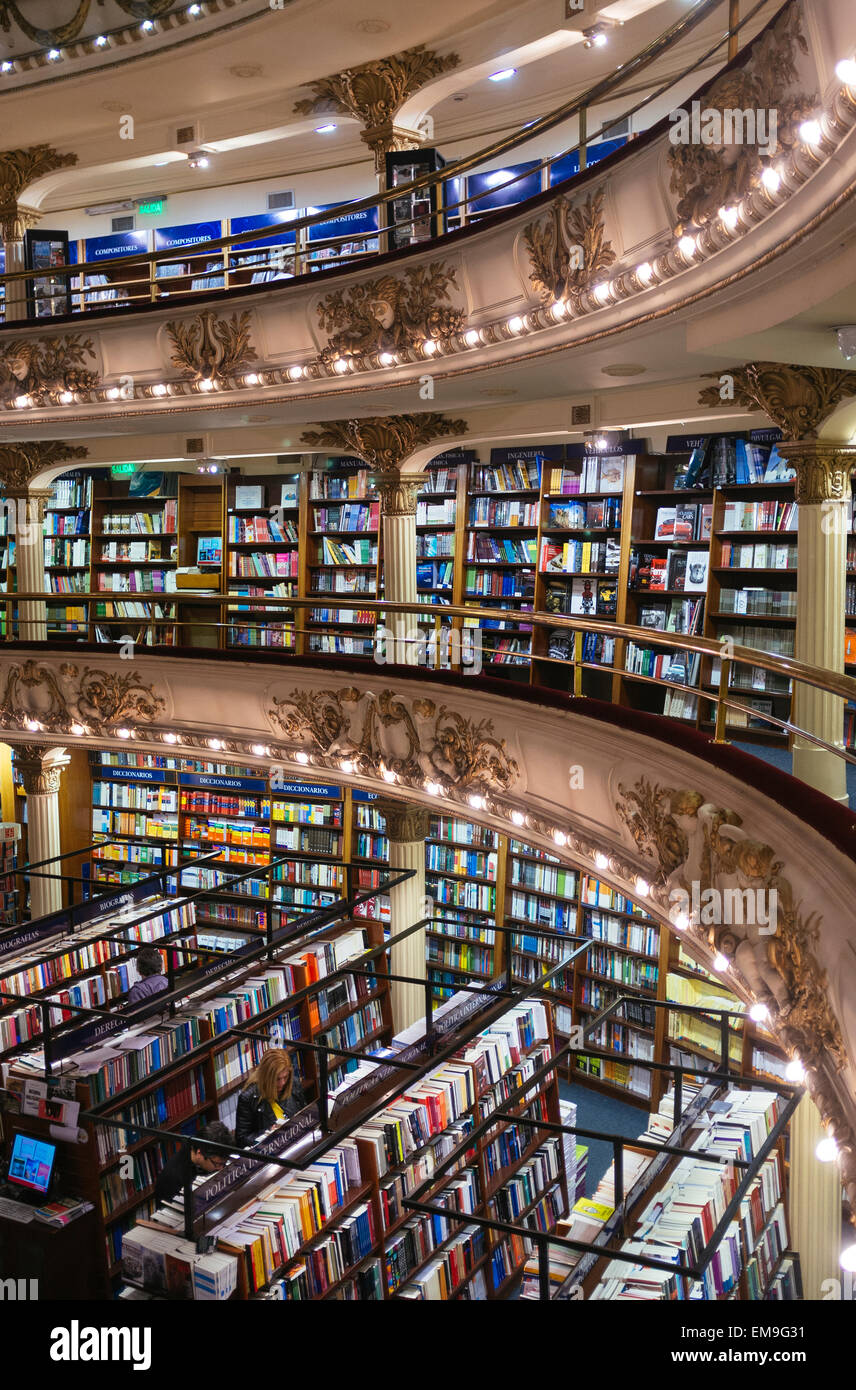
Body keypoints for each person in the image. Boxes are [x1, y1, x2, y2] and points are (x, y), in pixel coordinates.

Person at [234, 1048, 306, 1146]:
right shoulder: (248, 1098)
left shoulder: (293, 1083)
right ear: (266, 1077)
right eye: (277, 1079)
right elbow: (242, 1140)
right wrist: (268, 1133)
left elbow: (305, 1116)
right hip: (270, 1149)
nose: (282, 1083)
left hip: (297, 1142)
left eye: (285, 1077)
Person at [154, 1121, 233, 1204]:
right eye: (217, 1164)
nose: (221, 1168)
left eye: (224, 1163)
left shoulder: (207, 1156)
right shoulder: (173, 1177)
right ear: (199, 1153)